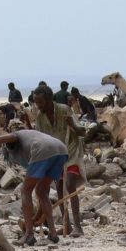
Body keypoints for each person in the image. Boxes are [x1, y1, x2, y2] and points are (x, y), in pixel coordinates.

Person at [0, 126, 66, 245]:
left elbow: (10, 137)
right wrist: (36, 217)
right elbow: (43, 187)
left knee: (25, 191)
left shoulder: (18, 136)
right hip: (61, 150)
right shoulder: (31, 137)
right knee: (41, 191)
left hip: (43, 149)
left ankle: (29, 234)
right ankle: (53, 233)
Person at [25, 84, 86, 236]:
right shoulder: (40, 116)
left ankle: (78, 226)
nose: (38, 106)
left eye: (41, 103)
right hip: (57, 155)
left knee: (70, 186)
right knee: (59, 190)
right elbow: (39, 137)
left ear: (50, 100)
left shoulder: (65, 110)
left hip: (71, 152)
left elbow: (82, 132)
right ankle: (68, 225)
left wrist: (72, 125)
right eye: (36, 103)